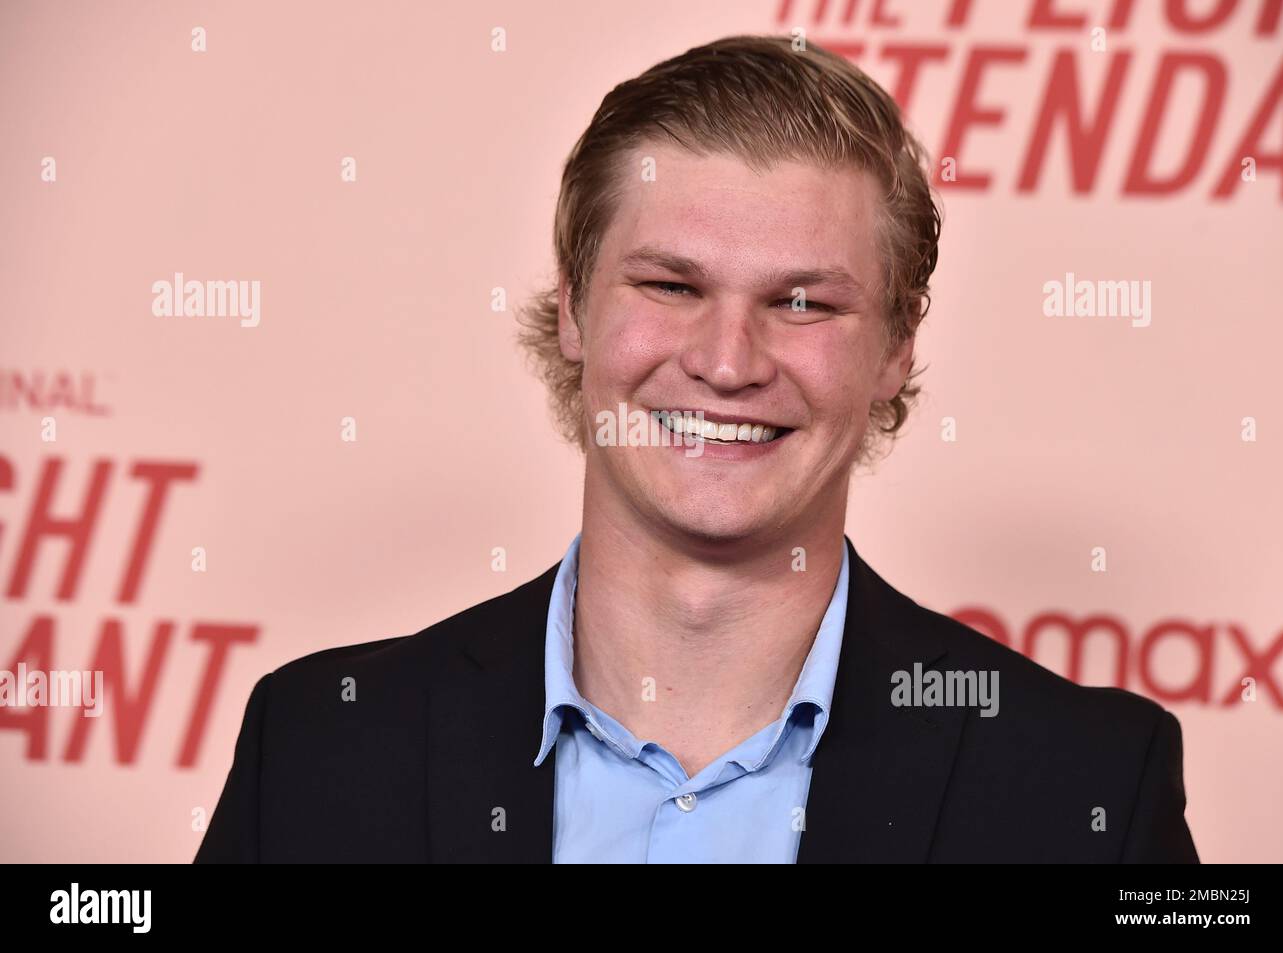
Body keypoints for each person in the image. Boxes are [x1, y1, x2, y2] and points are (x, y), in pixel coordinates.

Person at [195, 34, 1197, 863]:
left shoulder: (1085, 788)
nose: (726, 362)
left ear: (894, 348)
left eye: (801, 302)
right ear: (576, 310)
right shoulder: (325, 740)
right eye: (671, 285)